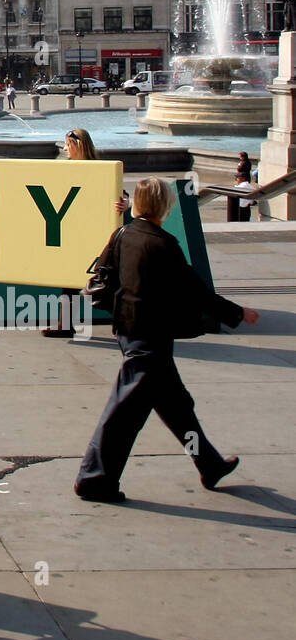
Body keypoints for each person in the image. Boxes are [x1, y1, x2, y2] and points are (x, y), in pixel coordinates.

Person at [75, 177, 258, 502]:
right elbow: (195, 290)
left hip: (128, 331)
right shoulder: (163, 243)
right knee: (124, 413)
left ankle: (209, 463)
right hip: (150, 337)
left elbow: (106, 273)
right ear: (164, 206)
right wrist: (238, 313)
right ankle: (94, 479)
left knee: (177, 408)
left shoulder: (123, 234)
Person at [44, 128, 130, 338]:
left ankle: (124, 323)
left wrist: (126, 203)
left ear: (78, 145)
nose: (65, 149)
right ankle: (66, 324)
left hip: (95, 234)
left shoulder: (99, 170)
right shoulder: (67, 169)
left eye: (68, 144)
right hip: (74, 231)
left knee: (106, 281)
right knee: (68, 280)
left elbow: (120, 194)